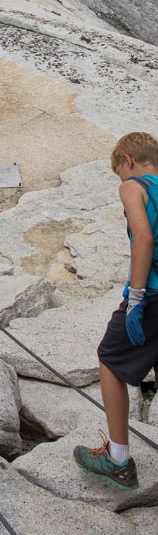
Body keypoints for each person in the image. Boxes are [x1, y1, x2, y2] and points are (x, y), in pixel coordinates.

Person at [74, 132, 158, 491]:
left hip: (151, 294)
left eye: (120, 172)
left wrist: (136, 299)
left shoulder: (133, 187)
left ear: (127, 160)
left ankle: (119, 459)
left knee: (109, 358)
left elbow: (143, 238)